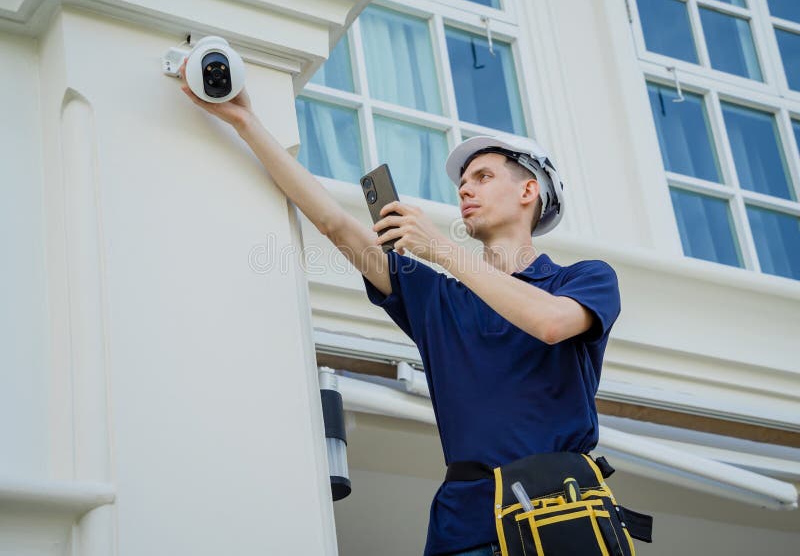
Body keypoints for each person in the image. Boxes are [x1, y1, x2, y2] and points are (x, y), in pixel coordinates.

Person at [178, 62, 621, 556]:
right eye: (463, 182)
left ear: (527, 190)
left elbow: (550, 322)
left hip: (560, 515)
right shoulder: (439, 299)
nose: (465, 189)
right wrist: (245, 122)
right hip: (464, 526)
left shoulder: (584, 280)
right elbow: (334, 224)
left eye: (483, 176)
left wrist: (440, 249)